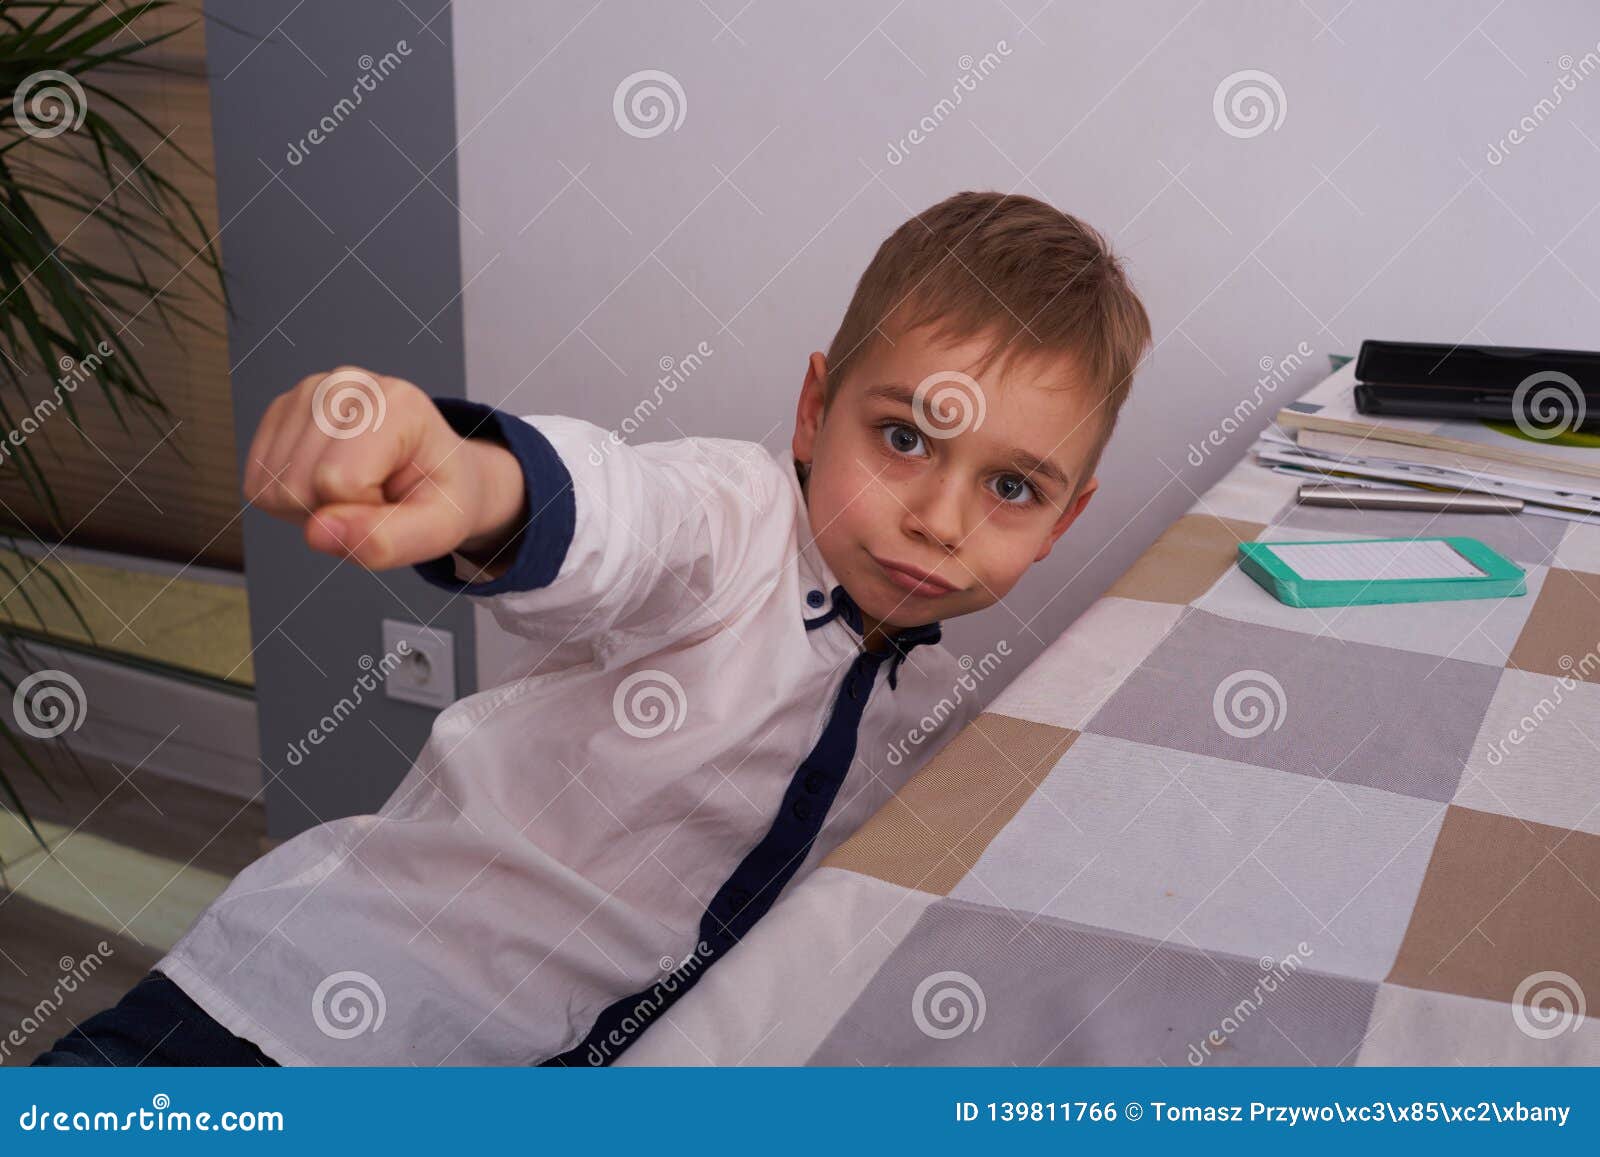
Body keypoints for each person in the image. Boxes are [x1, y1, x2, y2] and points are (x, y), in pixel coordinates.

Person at [34, 190, 1151, 1066]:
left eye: (1012, 487)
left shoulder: (922, 686)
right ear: (815, 410)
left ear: (1066, 519)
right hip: (305, 1022)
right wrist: (474, 481)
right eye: (903, 438)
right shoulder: (736, 520)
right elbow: (620, 514)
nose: (939, 520)